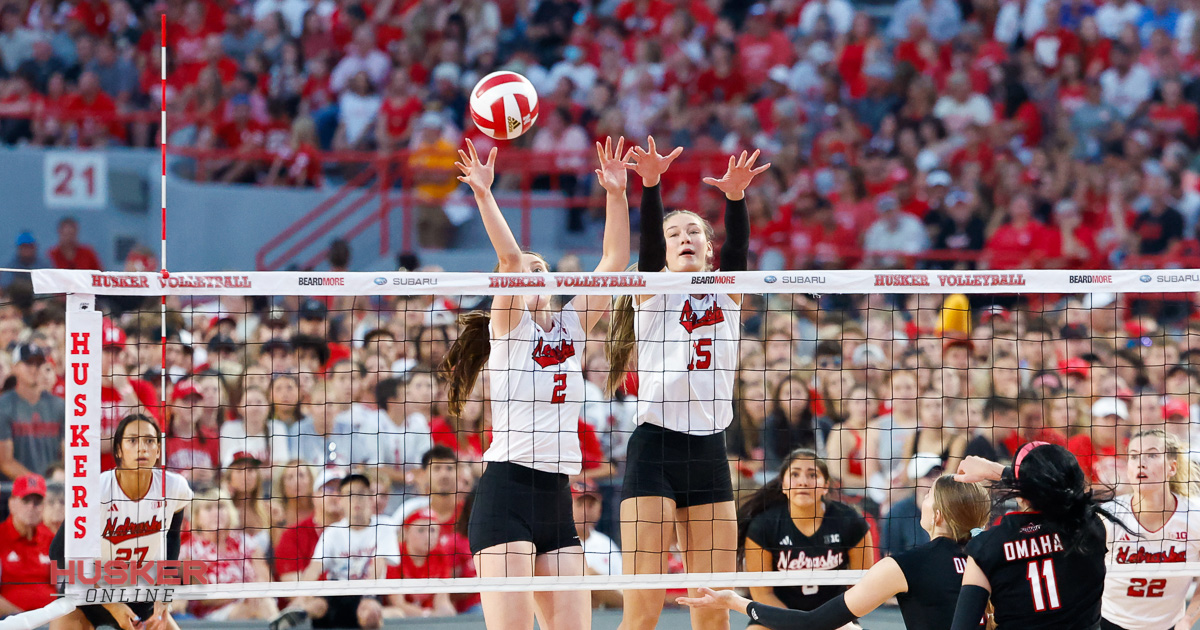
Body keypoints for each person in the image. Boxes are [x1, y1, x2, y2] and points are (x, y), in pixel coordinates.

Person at [441, 136, 632, 630]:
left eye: (542, 268)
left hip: (556, 496)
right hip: (506, 493)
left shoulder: (570, 325)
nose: (534, 273)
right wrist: (485, 192)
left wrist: (616, 193)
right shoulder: (508, 327)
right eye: (529, 270)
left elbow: (612, 264)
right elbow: (508, 262)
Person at [605, 138, 768, 630]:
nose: (684, 238)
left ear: (708, 248)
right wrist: (650, 185)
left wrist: (735, 199)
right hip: (655, 448)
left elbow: (738, 248)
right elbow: (648, 250)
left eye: (694, 231)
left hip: (710, 453)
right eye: (674, 233)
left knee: (713, 608)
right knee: (643, 612)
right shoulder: (651, 292)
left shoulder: (727, 291)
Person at [677, 475, 990, 630]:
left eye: (927, 497)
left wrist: (736, 601)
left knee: (842, 627)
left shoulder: (906, 564)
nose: (920, 501)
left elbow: (813, 624)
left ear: (937, 516)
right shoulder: (991, 555)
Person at [949, 442, 1120, 630]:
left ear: (1020, 493)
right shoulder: (1091, 527)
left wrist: (1002, 473)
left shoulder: (986, 547)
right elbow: (1070, 496)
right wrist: (1002, 473)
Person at [49, 414, 194, 630]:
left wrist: (163, 592)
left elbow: (172, 537)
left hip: (140, 592)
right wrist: (112, 604)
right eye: (132, 441)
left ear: (158, 451)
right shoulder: (95, 491)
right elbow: (58, 553)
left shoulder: (174, 487)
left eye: (149, 441)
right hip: (90, 591)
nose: (142, 448)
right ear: (118, 450)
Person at [739, 449, 875, 629]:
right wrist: (798, 625)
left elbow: (861, 587)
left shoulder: (851, 522)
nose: (803, 482)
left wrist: (826, 620)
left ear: (825, 485)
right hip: (777, 615)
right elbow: (762, 595)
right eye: (795, 474)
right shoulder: (763, 525)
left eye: (812, 475)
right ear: (783, 484)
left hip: (834, 617)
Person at [1101, 429, 1200, 630]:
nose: (1140, 462)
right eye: (1134, 456)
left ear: (1172, 467)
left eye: (1152, 454)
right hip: (1108, 622)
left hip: (1169, 625)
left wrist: (1188, 620)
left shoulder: (1194, 517)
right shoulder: (1107, 517)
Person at [0, 344, 65, 481]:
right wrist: (37, 484)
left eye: (38, 364)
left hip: (54, 488)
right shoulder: (4, 405)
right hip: (15, 490)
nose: (34, 369)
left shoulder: (58, 405)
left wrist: (59, 475)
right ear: (14, 367)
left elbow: (67, 452)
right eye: (28, 363)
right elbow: (5, 462)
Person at [0, 473, 54, 615]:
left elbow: (65, 588)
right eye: (25, 500)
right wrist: (24, 620)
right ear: (11, 503)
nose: (31, 507)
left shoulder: (51, 538)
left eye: (37, 502)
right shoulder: (1, 537)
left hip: (52, 621)